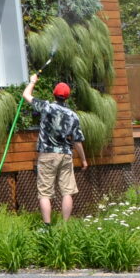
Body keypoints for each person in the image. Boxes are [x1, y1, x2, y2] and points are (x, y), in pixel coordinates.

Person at [23, 73, 87, 226]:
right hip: (66, 155)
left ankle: (47, 227)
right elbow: (77, 141)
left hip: (47, 155)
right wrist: (84, 160)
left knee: (45, 193)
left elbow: (26, 95)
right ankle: (65, 226)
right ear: (67, 97)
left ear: (54, 93)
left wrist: (32, 82)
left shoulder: (47, 107)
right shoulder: (73, 116)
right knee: (67, 191)